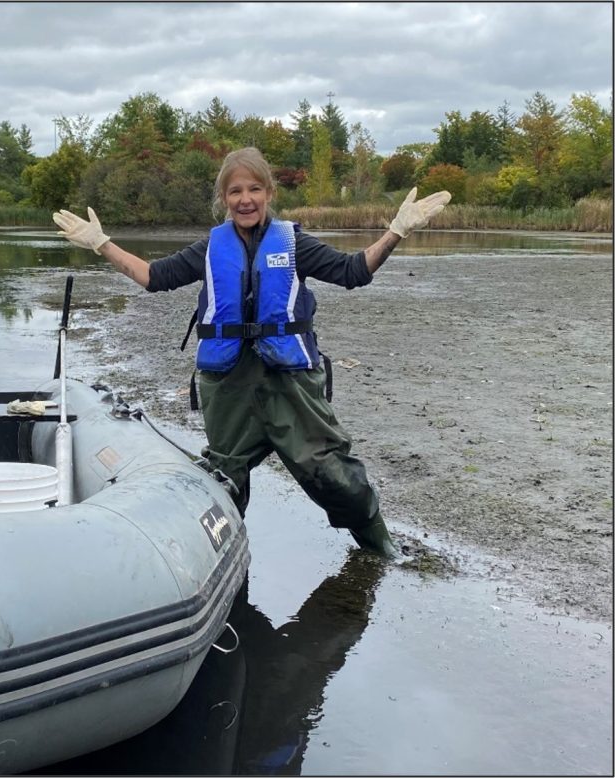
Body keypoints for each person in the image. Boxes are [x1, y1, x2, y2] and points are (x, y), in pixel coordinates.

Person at [53, 147, 451, 559]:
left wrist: (397, 231)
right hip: (229, 388)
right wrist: (101, 243)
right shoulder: (210, 248)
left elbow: (354, 271)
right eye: (236, 191)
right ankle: (222, 567)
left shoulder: (294, 243)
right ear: (224, 199)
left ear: (269, 193)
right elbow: (153, 277)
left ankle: (384, 550)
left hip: (291, 386)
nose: (245, 199)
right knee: (225, 481)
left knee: (337, 478)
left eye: (255, 189)